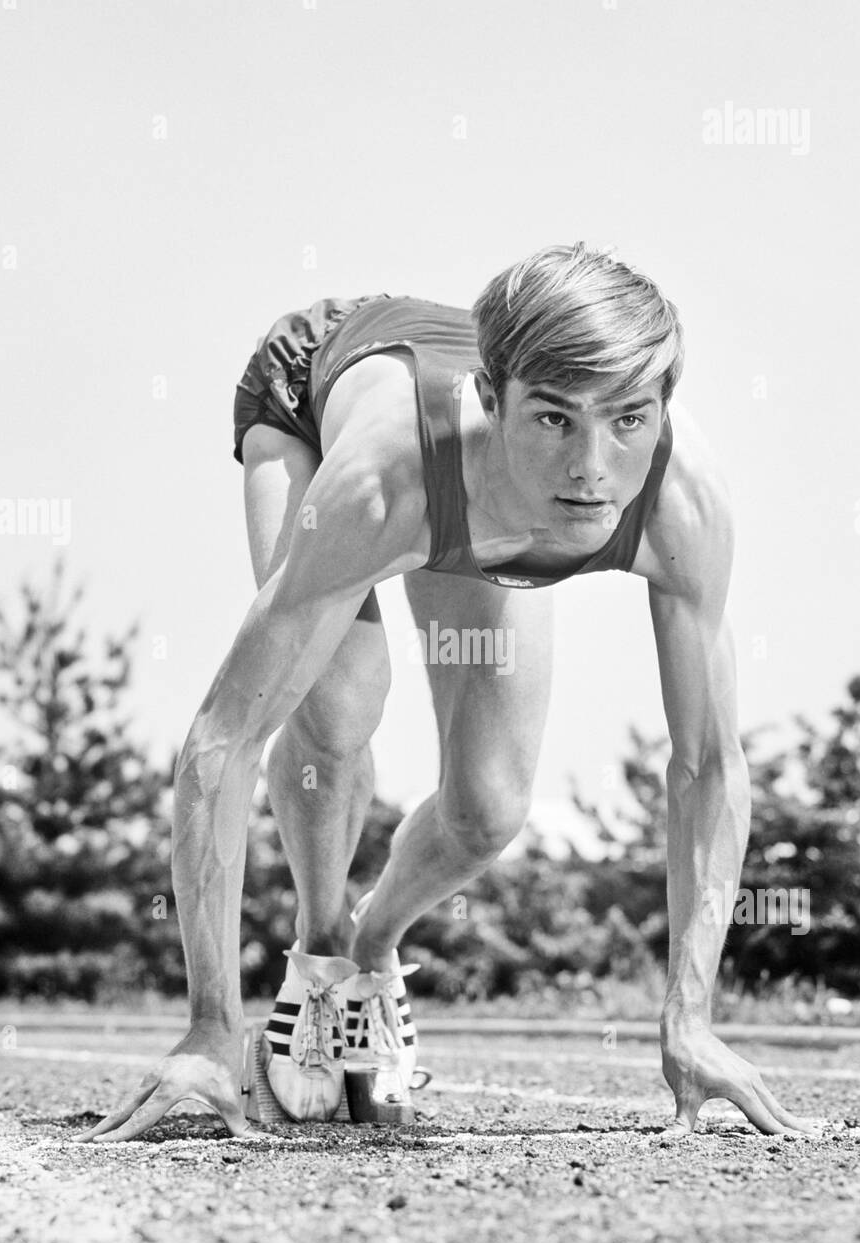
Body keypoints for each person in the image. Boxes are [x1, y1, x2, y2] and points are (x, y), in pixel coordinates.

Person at [77, 242, 816, 1143]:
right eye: (555, 420)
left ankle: (374, 943)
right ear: (494, 400)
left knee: (489, 813)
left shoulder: (679, 499)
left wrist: (690, 1016)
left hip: (476, 486)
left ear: (662, 405)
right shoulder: (383, 481)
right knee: (341, 698)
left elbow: (707, 763)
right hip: (316, 393)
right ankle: (319, 956)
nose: (592, 467)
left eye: (628, 419)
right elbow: (222, 742)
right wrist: (207, 1025)